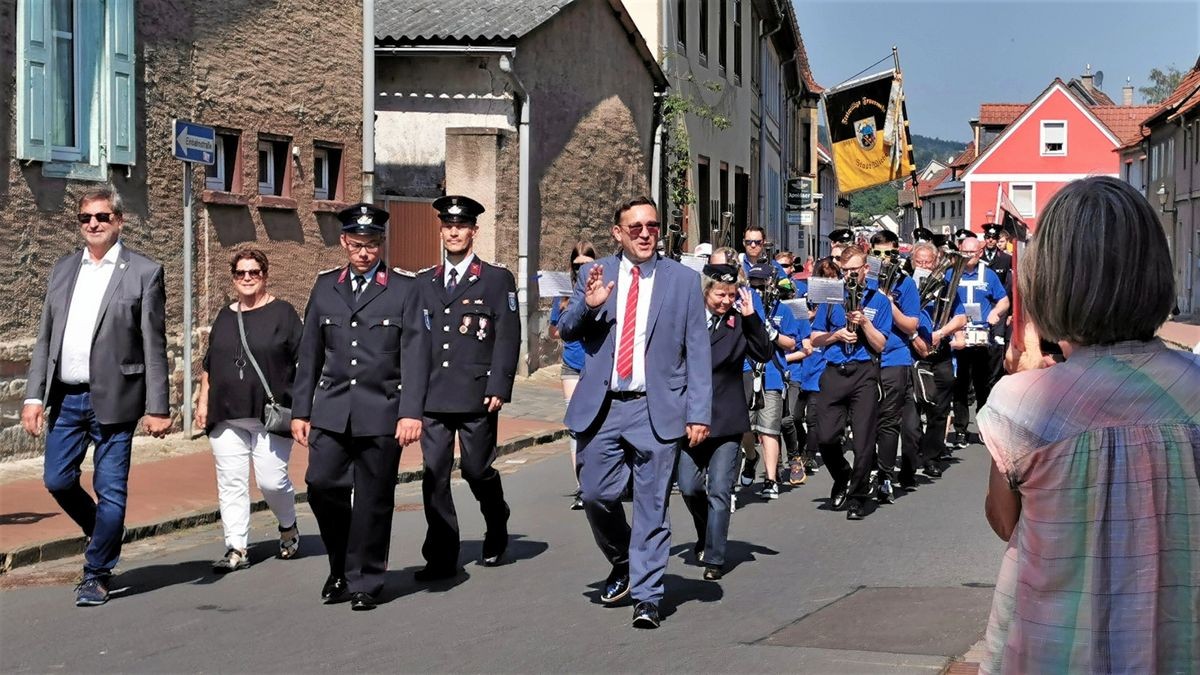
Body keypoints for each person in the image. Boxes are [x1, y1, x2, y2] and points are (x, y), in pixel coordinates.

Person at [978, 176, 1200, 674]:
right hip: (1176, 643)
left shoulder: (1021, 404)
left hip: (1052, 647)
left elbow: (1004, 521)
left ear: (1049, 282)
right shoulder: (1194, 390)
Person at [559, 196, 711, 629]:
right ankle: (625, 560)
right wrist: (590, 305)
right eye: (636, 227)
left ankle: (648, 594)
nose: (645, 233)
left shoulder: (682, 281)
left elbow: (697, 351)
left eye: (652, 226)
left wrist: (698, 412)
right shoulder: (596, 272)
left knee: (651, 504)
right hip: (603, 407)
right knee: (595, 494)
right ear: (618, 233)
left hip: (655, 407)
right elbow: (567, 330)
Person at [21, 187, 171, 607]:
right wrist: (34, 397)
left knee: (111, 491)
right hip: (66, 399)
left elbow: (153, 344)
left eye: (102, 217)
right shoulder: (63, 269)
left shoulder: (143, 271)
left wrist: (159, 406)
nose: (93, 225)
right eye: (85, 218)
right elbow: (45, 339)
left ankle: (97, 571)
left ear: (119, 221)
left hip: (117, 399)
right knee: (57, 479)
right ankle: (105, 530)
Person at [291, 203, 429, 611]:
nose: (364, 253)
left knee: (373, 498)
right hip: (332, 409)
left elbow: (416, 354)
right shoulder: (325, 285)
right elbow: (310, 352)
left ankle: (366, 579)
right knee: (321, 485)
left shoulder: (404, 288)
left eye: (371, 245)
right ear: (344, 243)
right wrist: (301, 410)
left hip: (382, 410)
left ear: (381, 244)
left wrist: (411, 412)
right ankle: (341, 564)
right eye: (356, 244)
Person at [415, 195, 521, 579]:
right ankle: (442, 553)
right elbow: (416, 340)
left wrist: (499, 385)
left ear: (474, 231)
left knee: (477, 471)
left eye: (461, 226)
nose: (454, 232)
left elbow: (507, 337)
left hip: (477, 393)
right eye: (448, 225)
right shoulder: (424, 282)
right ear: (441, 230)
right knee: (434, 474)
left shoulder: (495, 279)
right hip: (433, 395)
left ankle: (496, 520)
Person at [195, 248, 303, 572]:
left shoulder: (283, 313)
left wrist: (305, 407)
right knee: (231, 481)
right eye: (240, 273)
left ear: (264, 275)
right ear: (233, 278)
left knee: (271, 481)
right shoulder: (225, 315)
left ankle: (287, 523)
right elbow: (210, 363)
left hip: (270, 415)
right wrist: (203, 401)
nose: (247, 278)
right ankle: (237, 547)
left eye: (253, 272)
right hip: (226, 413)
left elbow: (304, 360)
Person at [678, 264, 769, 580]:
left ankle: (715, 557)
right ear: (706, 292)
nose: (725, 300)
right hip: (689, 418)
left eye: (731, 295)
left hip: (726, 418)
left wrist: (750, 317)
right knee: (689, 487)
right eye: (720, 294)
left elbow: (763, 353)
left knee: (719, 488)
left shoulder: (738, 322)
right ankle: (705, 534)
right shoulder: (688, 320)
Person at [809, 246, 892, 520]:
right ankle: (842, 474)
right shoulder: (832, 296)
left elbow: (880, 345)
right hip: (834, 370)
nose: (848, 276)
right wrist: (836, 335)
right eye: (844, 271)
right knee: (825, 436)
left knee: (864, 440)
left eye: (853, 271)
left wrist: (865, 325)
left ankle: (857, 496)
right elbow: (815, 338)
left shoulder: (879, 300)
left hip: (863, 372)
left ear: (865, 269)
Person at [866, 230, 920, 504]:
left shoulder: (906, 283)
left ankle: (885, 475)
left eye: (888, 253)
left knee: (888, 420)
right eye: (877, 254)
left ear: (896, 253)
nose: (883, 259)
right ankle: (871, 467)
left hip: (894, 357)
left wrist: (889, 305)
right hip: (866, 358)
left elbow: (912, 325)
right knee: (865, 421)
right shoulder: (865, 280)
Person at [741, 264, 803, 499]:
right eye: (753, 283)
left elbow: (793, 343)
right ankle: (750, 457)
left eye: (761, 283)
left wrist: (773, 334)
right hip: (746, 371)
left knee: (769, 430)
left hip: (772, 374)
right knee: (744, 428)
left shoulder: (783, 310)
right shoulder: (743, 305)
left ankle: (770, 479)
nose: (756, 288)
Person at [908, 243, 966, 484]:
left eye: (928, 262)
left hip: (939, 351)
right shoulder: (906, 286)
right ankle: (912, 453)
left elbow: (961, 317)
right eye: (919, 262)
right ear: (913, 263)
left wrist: (941, 333)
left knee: (939, 407)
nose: (924, 266)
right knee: (912, 409)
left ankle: (932, 456)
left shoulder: (946, 285)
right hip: (912, 354)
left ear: (936, 262)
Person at [948, 234, 1009, 449]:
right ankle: (961, 430)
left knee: (984, 385)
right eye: (964, 252)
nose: (968, 256)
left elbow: (1003, 300)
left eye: (972, 252)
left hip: (982, 337)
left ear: (980, 252)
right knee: (960, 384)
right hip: (959, 336)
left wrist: (995, 313)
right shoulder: (951, 274)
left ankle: (984, 429)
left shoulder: (989, 275)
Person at [549, 241, 597, 511]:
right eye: (577, 265)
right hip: (571, 364)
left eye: (586, 264)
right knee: (575, 426)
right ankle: (582, 484)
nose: (581, 269)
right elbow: (553, 332)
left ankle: (602, 477)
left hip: (595, 365)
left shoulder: (602, 288)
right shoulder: (563, 295)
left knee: (596, 424)